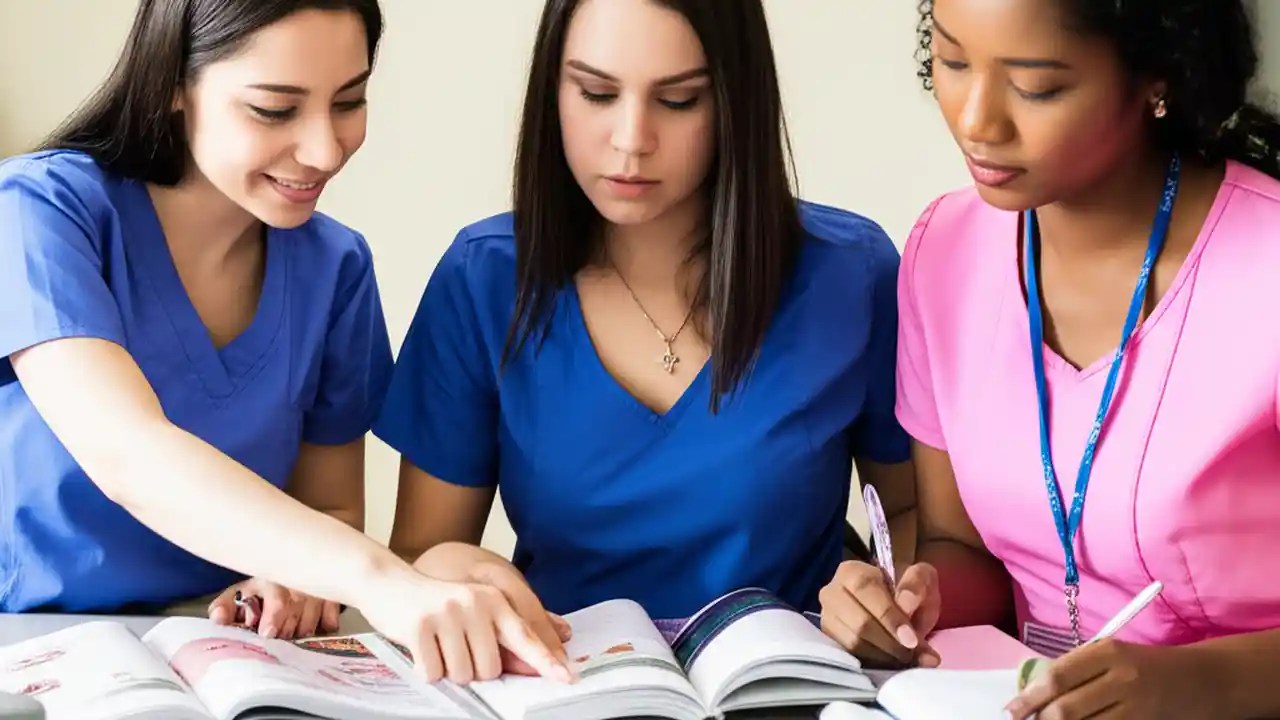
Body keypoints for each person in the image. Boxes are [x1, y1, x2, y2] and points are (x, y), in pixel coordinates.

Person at [0, 0, 570, 686]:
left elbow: (327, 511)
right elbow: (127, 455)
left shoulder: (336, 269)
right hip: (31, 649)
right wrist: (382, 582)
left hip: (218, 661)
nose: (326, 150)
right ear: (173, 85)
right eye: (275, 109)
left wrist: (293, 584)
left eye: (350, 101)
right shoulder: (41, 212)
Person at [373, 0, 914, 623]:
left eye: (679, 100)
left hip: (788, 689)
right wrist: (460, 576)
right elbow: (422, 555)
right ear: (553, 90)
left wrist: (883, 599)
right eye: (597, 93)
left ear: (736, 101)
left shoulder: (853, 273)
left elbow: (907, 515)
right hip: (568, 686)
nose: (631, 140)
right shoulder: (484, 277)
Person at [819, 0, 1280, 717]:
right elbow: (958, 544)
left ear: (1157, 78)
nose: (977, 121)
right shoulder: (945, 250)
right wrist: (908, 602)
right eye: (951, 60)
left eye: (1036, 88)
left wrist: (1189, 685)